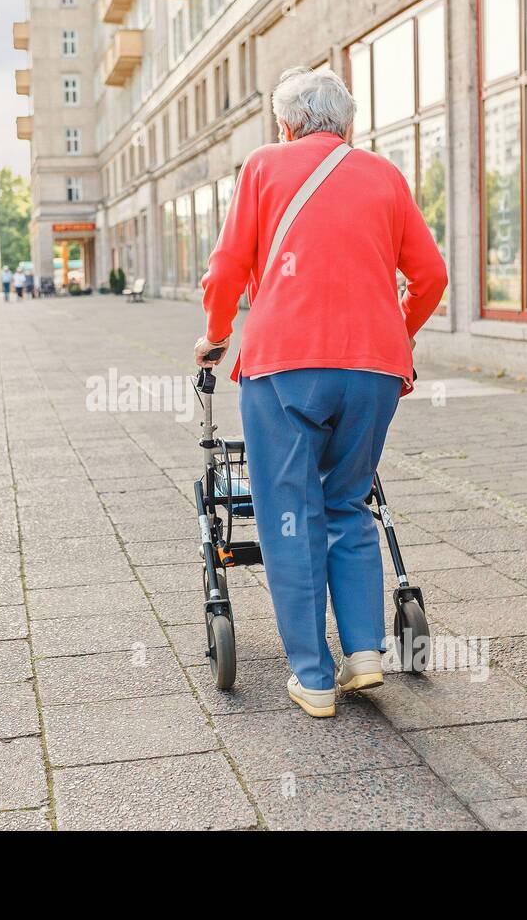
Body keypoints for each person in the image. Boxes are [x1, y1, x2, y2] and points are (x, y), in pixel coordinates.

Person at [195, 67, 447, 719]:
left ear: (287, 125)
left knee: (288, 518)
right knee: (348, 502)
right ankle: (364, 653)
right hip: (374, 369)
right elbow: (431, 274)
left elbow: (226, 269)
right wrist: (398, 333)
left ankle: (312, 676)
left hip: (285, 364)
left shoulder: (263, 166)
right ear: (348, 126)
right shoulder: (385, 176)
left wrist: (215, 335)